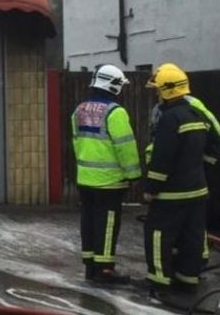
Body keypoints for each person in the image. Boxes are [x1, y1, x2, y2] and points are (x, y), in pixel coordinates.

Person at [142, 63, 220, 296]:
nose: (156, 93)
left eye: (158, 89)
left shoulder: (170, 118)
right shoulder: (197, 113)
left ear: (167, 90)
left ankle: (159, 281)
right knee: (193, 236)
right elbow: (215, 145)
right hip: (197, 191)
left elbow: (162, 158)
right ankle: (188, 279)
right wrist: (198, 169)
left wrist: (151, 188)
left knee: (157, 234)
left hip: (170, 194)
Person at [71, 64, 142, 284]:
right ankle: (105, 270)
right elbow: (125, 146)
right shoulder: (115, 112)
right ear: (113, 86)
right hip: (110, 182)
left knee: (89, 222)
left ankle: (91, 267)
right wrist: (134, 175)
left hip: (85, 180)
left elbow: (77, 143)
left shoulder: (79, 110)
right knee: (108, 223)